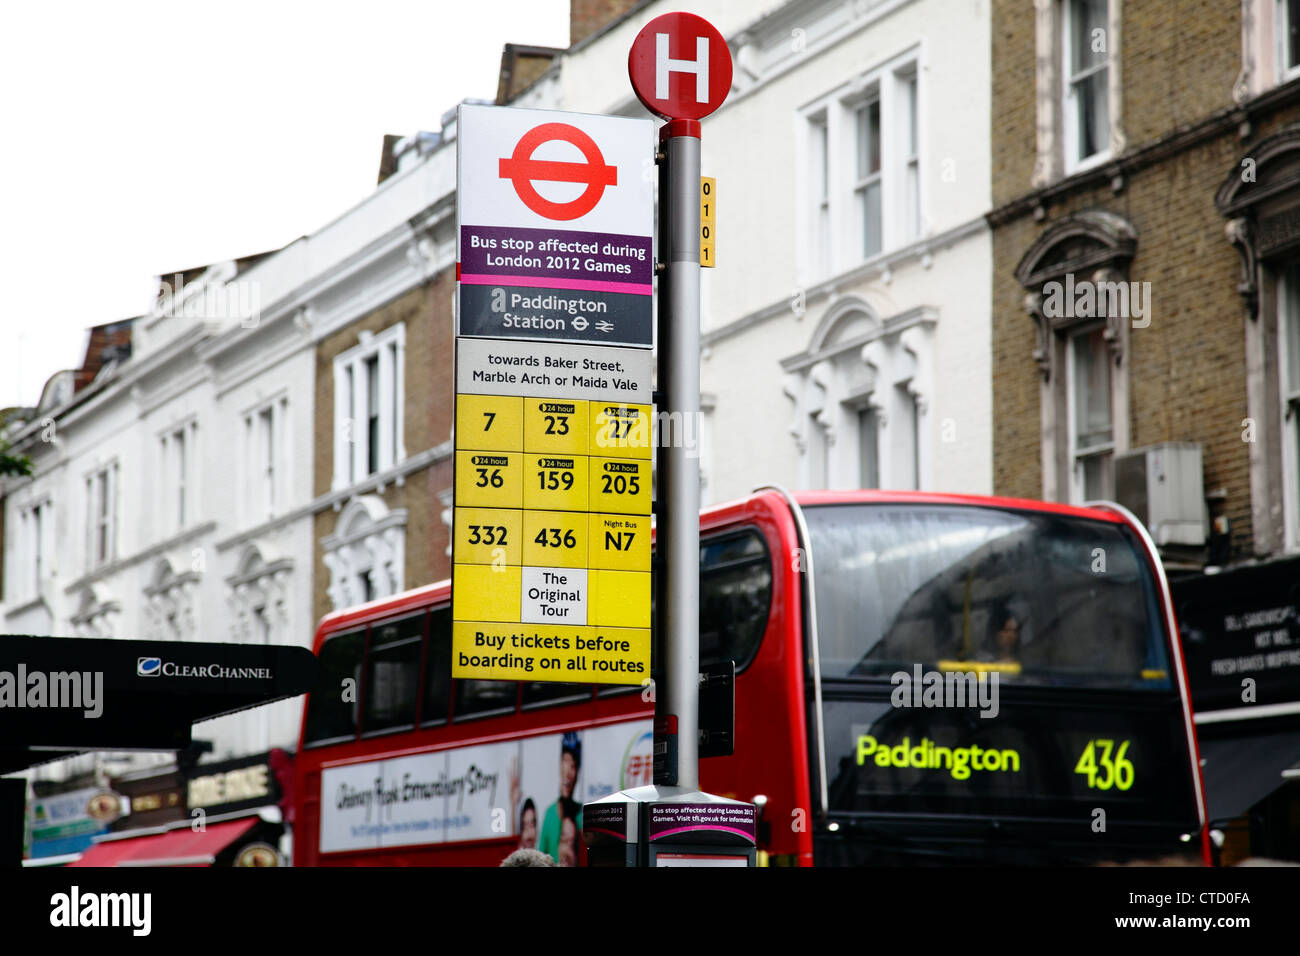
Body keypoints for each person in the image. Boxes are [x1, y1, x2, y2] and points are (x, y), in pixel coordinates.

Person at [538, 732, 581, 865]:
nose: (568, 772)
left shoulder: (583, 814)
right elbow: (539, 857)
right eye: (565, 761)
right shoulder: (550, 814)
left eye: (573, 766)